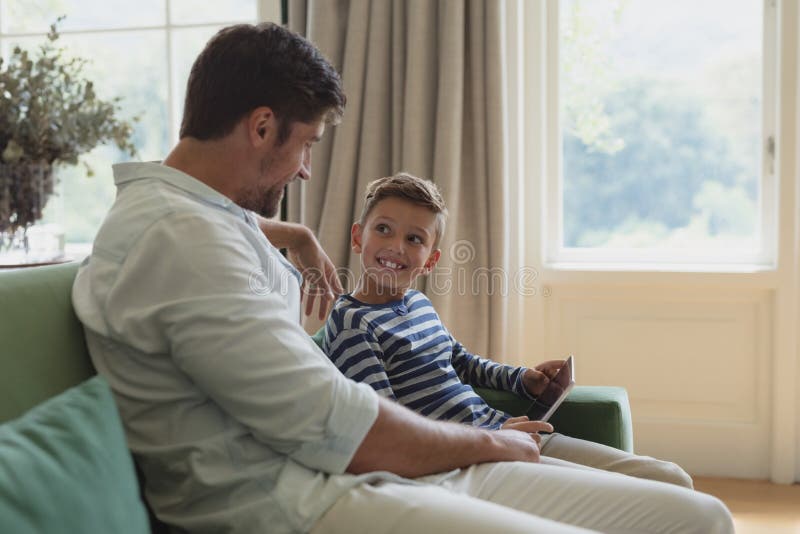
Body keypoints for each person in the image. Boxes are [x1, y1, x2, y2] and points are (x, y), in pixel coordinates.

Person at [71, 22, 734, 534]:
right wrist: (488, 444)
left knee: (697, 516)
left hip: (364, 472)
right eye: (307, 146)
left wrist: (294, 235)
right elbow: (336, 423)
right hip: (309, 499)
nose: (306, 170)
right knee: (689, 521)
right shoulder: (179, 237)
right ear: (261, 126)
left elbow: (198, 244)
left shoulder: (192, 218)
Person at [324, 172, 693, 488]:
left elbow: (463, 363)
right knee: (648, 494)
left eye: (414, 239)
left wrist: (523, 380)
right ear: (358, 237)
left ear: (430, 260)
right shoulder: (353, 322)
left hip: (505, 433)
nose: (395, 247)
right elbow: (389, 426)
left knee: (670, 477)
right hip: (468, 463)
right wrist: (486, 441)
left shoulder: (419, 304)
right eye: (383, 230)